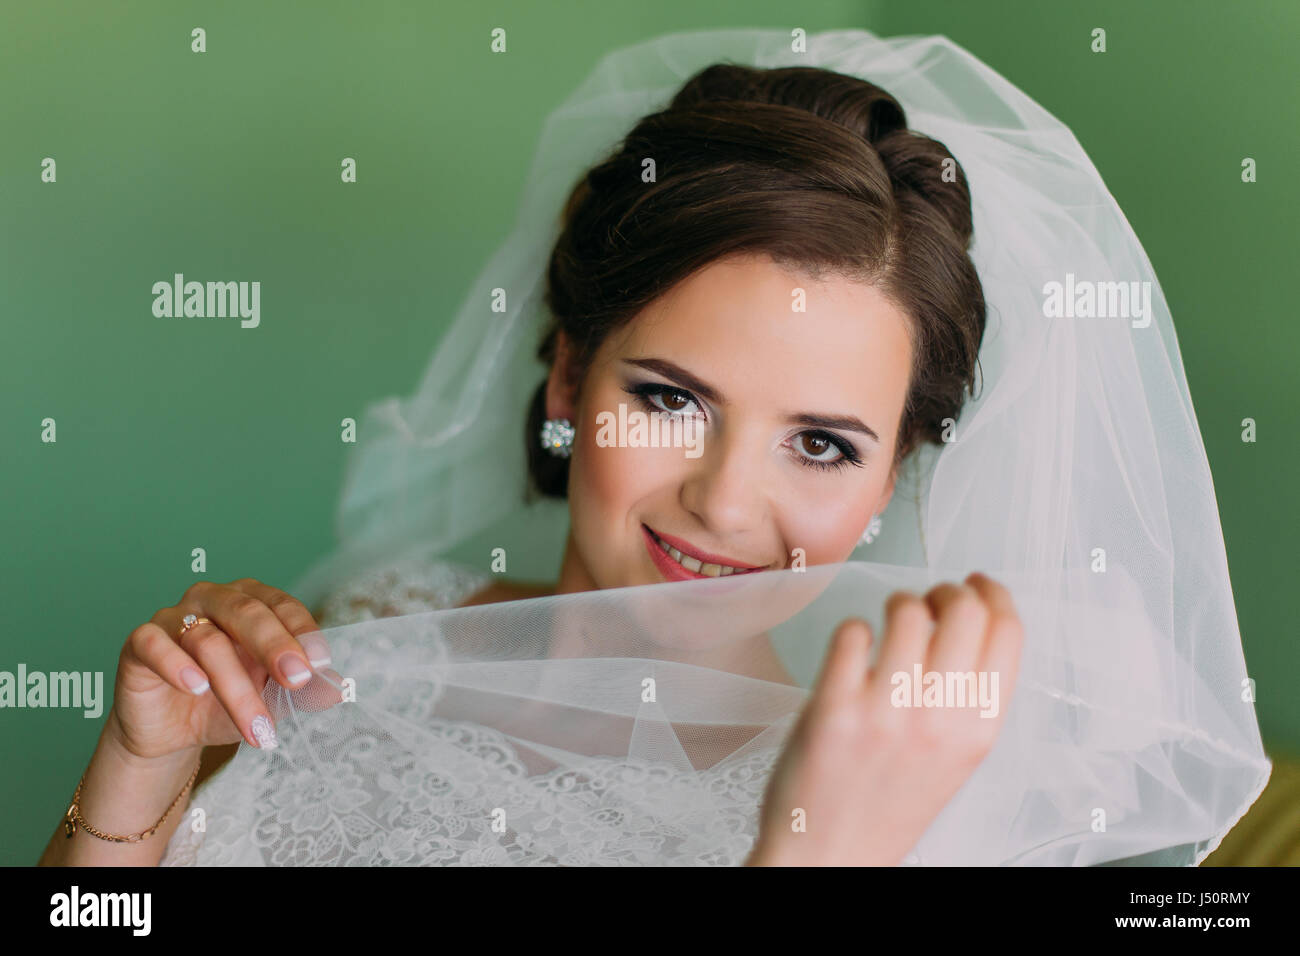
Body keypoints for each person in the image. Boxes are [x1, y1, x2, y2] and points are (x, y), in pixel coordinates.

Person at [38, 27, 1269, 867]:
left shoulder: (924, 810)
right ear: (569, 370)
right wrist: (137, 775)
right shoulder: (382, 622)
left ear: (895, 471)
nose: (726, 500)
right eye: (675, 398)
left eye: (825, 444)